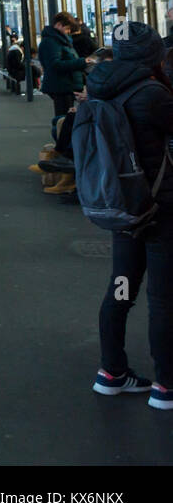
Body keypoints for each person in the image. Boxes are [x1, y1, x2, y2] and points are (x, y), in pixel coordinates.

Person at [81, 21, 173, 408]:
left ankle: (112, 372)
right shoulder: (153, 93)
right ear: (153, 54)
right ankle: (166, 386)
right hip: (161, 210)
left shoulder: (98, 85)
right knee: (163, 299)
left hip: (122, 207)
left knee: (120, 289)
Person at [40, 11, 96, 120]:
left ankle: (64, 135)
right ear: (59, 25)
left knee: (66, 116)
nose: (68, 32)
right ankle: (62, 136)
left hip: (65, 84)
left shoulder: (57, 40)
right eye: (67, 28)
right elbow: (55, 65)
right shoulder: (52, 42)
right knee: (64, 118)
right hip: (61, 85)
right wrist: (82, 62)